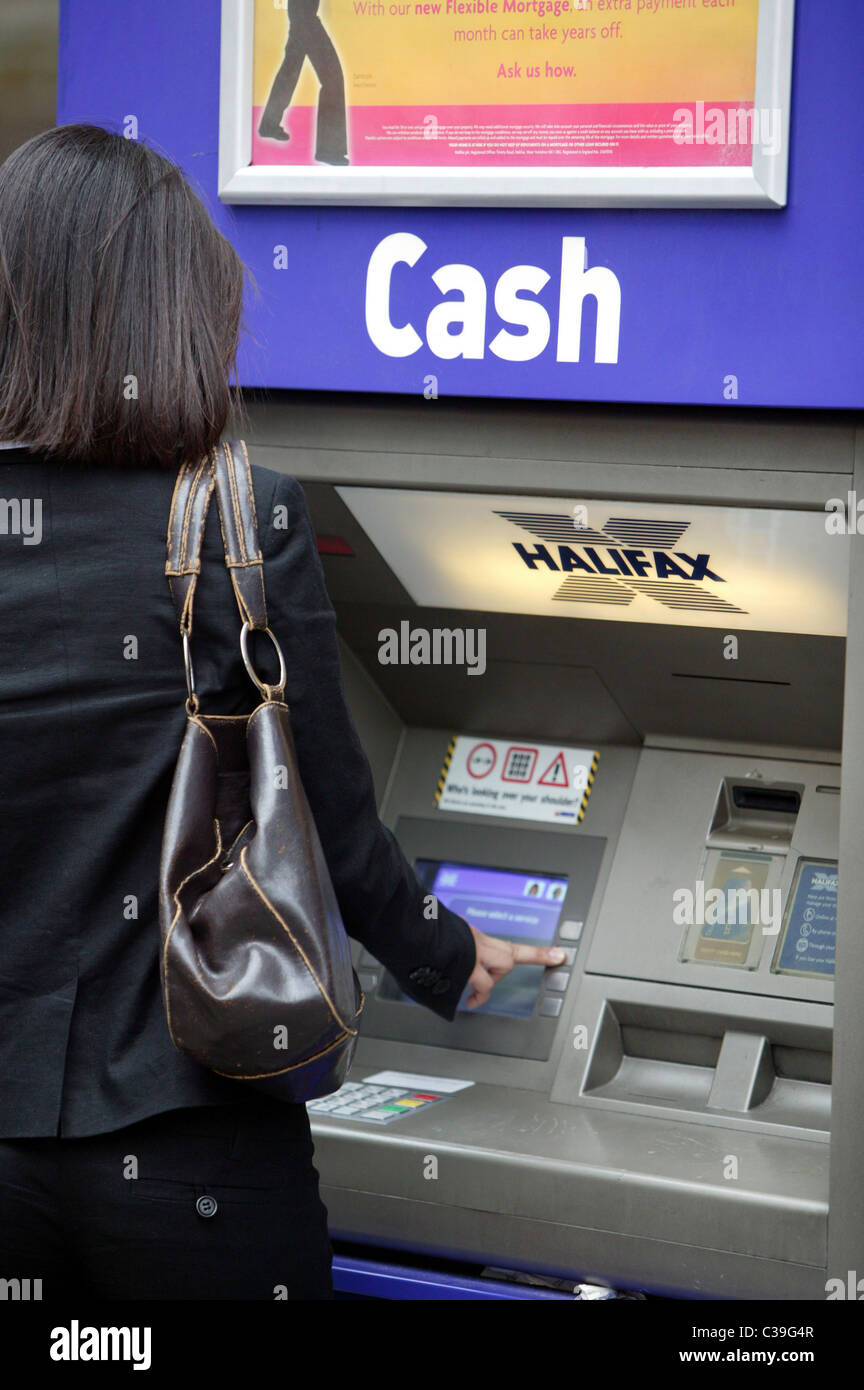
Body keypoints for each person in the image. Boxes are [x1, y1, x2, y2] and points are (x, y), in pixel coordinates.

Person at [0, 124, 565, 1300]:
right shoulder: (231, 526)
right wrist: (451, 961)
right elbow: (332, 827)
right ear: (172, 320)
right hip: (190, 1143)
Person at [258, 0, 348, 165]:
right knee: (332, 78)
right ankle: (328, 149)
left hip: (301, 11)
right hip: (304, 13)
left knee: (290, 69)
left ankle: (269, 124)